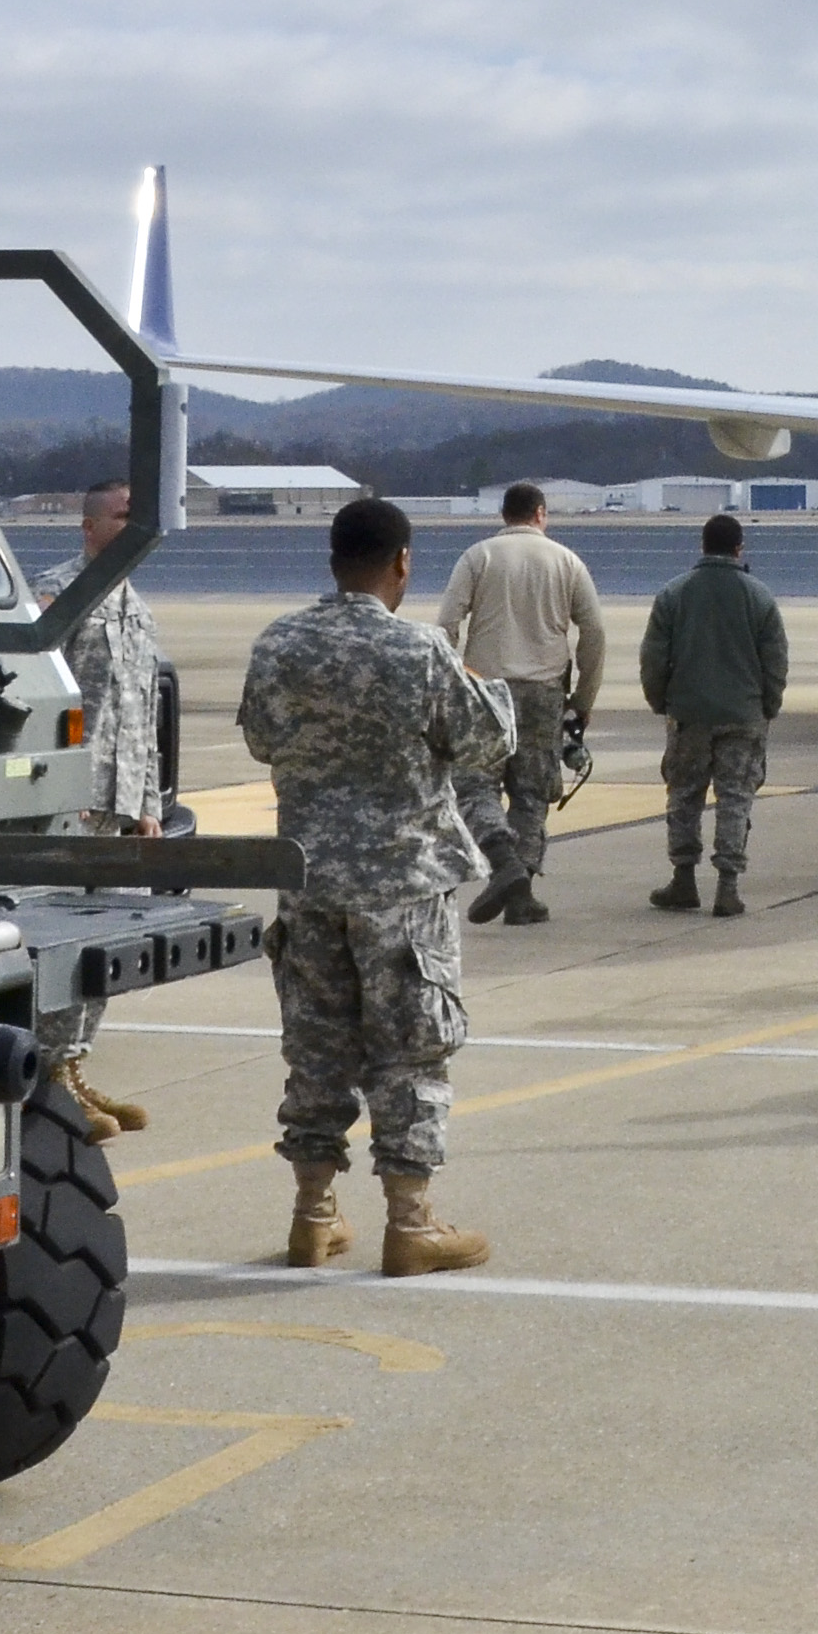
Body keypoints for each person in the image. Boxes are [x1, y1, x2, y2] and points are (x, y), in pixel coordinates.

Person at [235, 497, 509, 1276]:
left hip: (308, 878)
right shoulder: (418, 650)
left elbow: (261, 738)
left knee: (316, 1048)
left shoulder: (281, 641)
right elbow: (488, 742)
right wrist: (484, 686)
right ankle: (410, 1223)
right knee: (410, 1053)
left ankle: (313, 1216)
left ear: (333, 559)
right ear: (402, 563)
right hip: (401, 882)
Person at [48, 474, 177, 1133]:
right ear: (91, 527)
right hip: (72, 807)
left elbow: (142, 717)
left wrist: (149, 804)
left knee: (106, 946)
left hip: (123, 806)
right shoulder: (57, 597)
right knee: (65, 942)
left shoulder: (135, 607)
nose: (135, 526)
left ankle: (74, 1066)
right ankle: (47, 1080)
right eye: (124, 515)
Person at [436, 481, 605, 925]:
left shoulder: (478, 556)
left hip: (484, 688)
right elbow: (594, 633)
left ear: (504, 515)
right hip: (542, 691)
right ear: (541, 514)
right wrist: (583, 698)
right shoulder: (567, 561)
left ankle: (499, 854)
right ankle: (521, 890)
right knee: (532, 793)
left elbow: (447, 624)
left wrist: (455, 681)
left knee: (475, 786)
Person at [638, 511, 790, 917]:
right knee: (735, 798)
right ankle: (728, 885)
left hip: (689, 714)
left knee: (684, 796)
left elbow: (653, 657)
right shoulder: (759, 596)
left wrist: (660, 701)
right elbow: (775, 661)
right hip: (743, 714)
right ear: (740, 549)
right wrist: (768, 707)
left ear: (702, 546)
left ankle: (683, 879)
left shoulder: (674, 594)